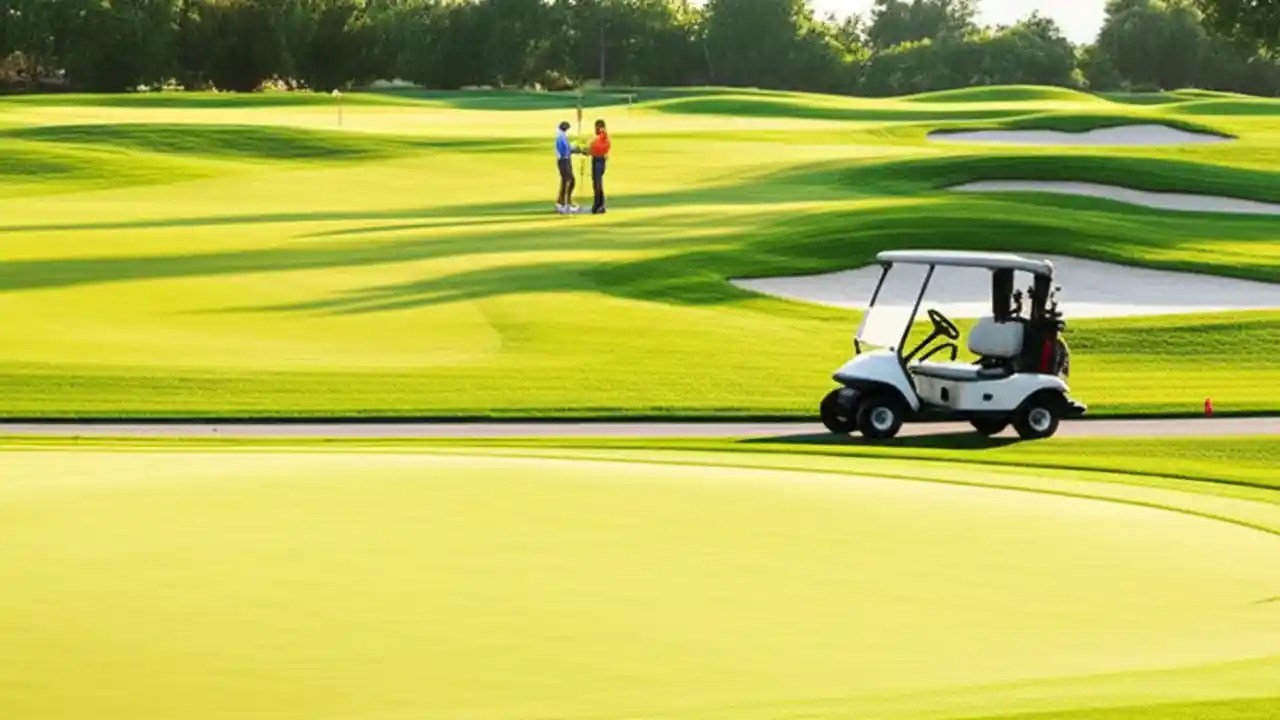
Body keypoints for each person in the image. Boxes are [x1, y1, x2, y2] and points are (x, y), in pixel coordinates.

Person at [554, 121, 578, 214]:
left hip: (564, 161)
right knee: (569, 181)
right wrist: (575, 149)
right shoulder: (561, 137)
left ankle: (563, 202)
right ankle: (565, 204)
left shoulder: (561, 136)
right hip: (564, 161)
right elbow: (565, 151)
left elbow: (567, 148)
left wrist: (574, 149)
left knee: (568, 181)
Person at [588, 119, 611, 215]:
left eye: (596, 128)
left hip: (598, 161)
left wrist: (587, 150)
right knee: (596, 183)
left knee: (597, 183)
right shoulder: (601, 138)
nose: (595, 130)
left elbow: (594, 147)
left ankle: (599, 205)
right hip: (598, 160)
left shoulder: (602, 138)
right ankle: (598, 204)